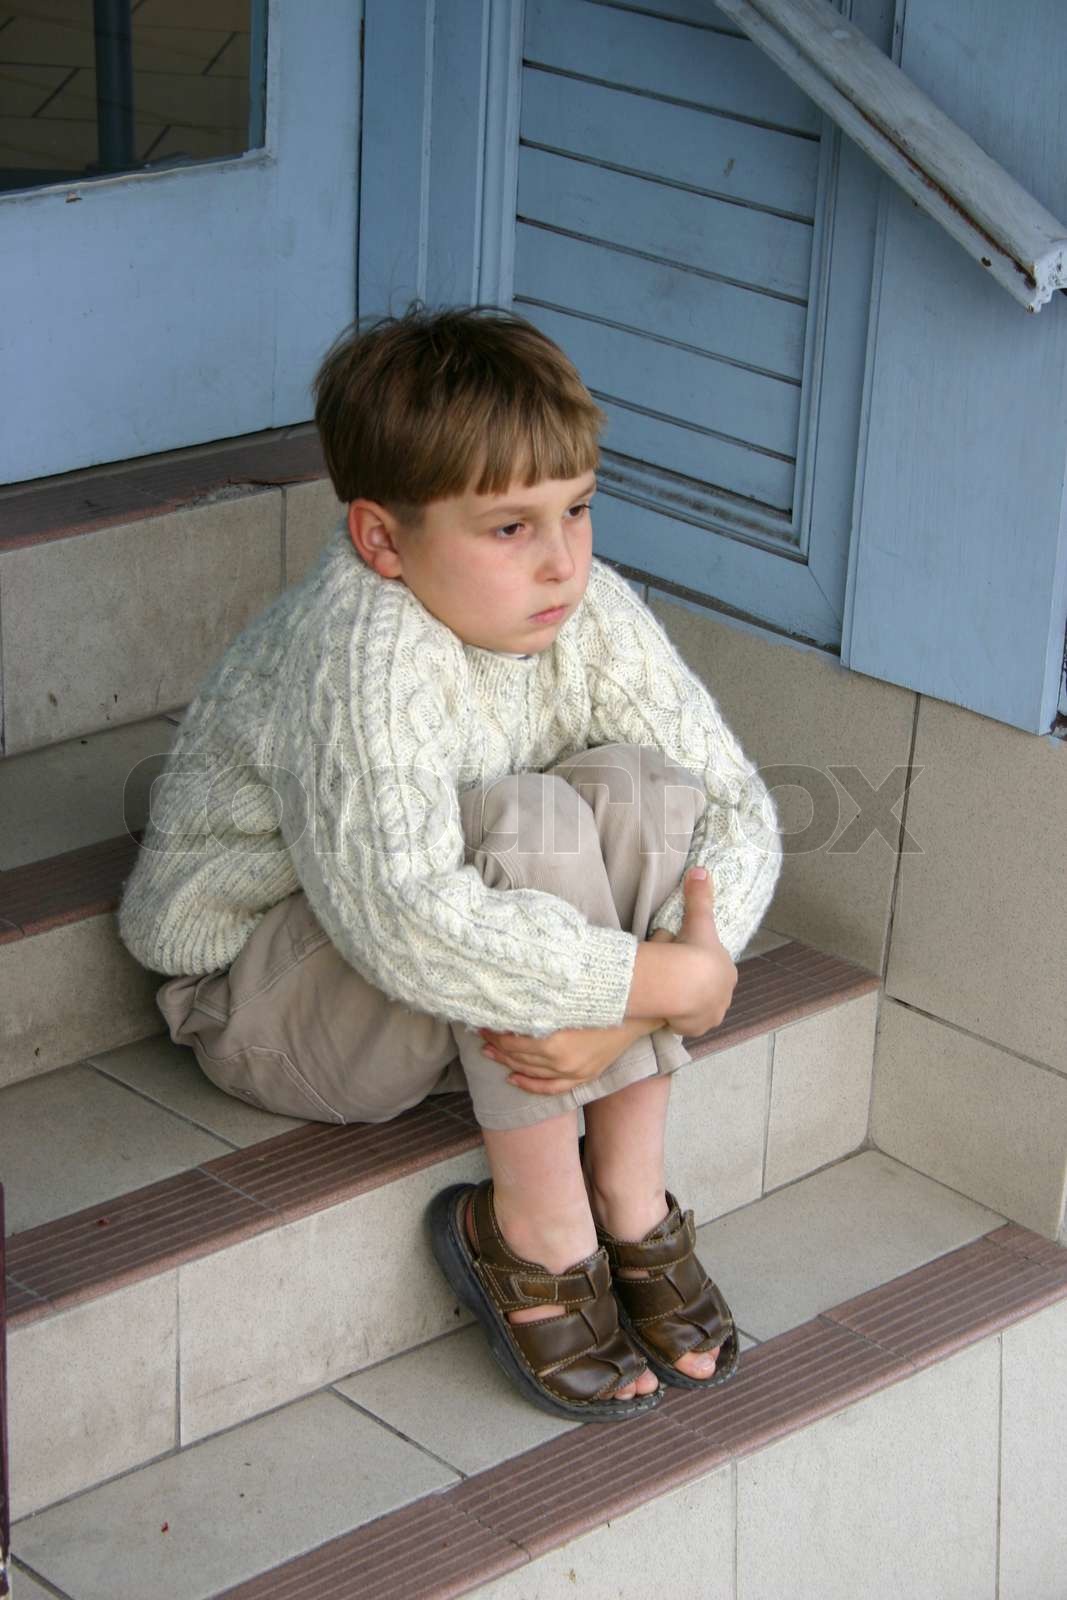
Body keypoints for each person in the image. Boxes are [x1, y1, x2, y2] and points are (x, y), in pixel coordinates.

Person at [117, 304, 782, 1423]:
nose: (562, 559)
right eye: (508, 528)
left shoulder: (587, 608)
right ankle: (532, 1226)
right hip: (271, 1003)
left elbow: (736, 807)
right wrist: (665, 985)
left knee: (640, 785)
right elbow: (405, 917)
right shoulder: (360, 651)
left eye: (575, 508)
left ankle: (627, 1197)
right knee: (525, 823)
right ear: (383, 540)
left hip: (446, 1010)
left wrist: (634, 1007)